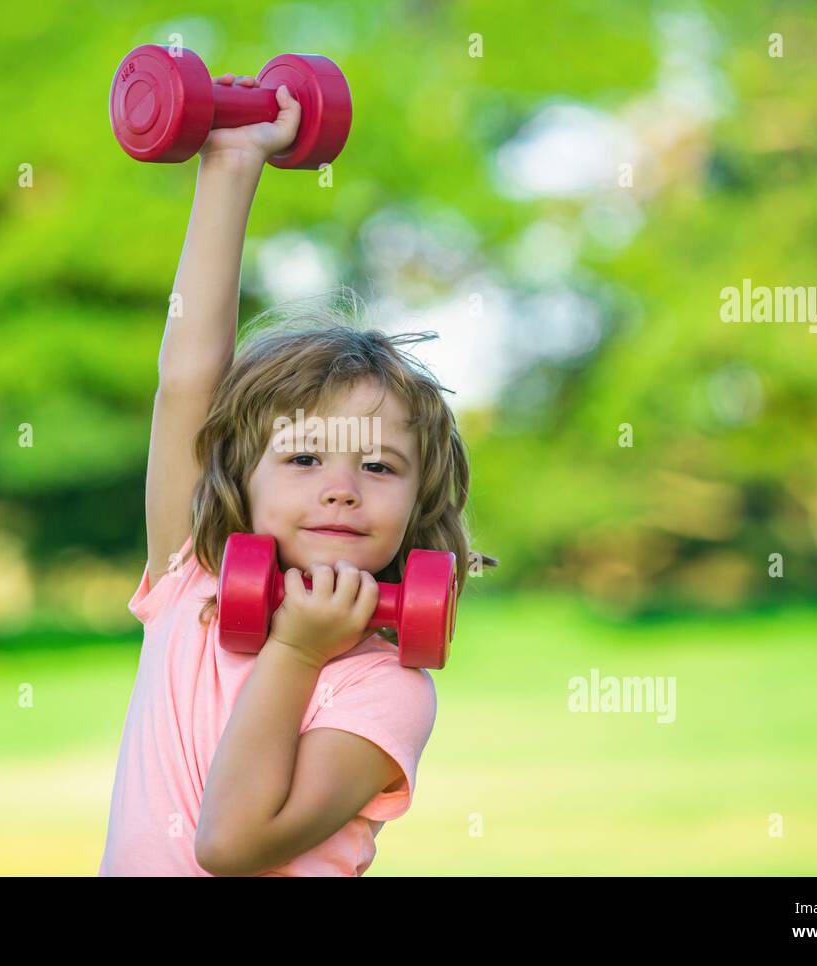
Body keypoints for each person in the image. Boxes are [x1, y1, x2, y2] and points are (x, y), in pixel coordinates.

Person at [98, 74, 495, 876]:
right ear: (237, 479)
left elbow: (231, 843)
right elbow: (187, 381)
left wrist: (300, 652)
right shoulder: (189, 582)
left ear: (421, 499)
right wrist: (233, 161)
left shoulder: (387, 690)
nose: (341, 487)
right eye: (305, 457)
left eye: (379, 465)